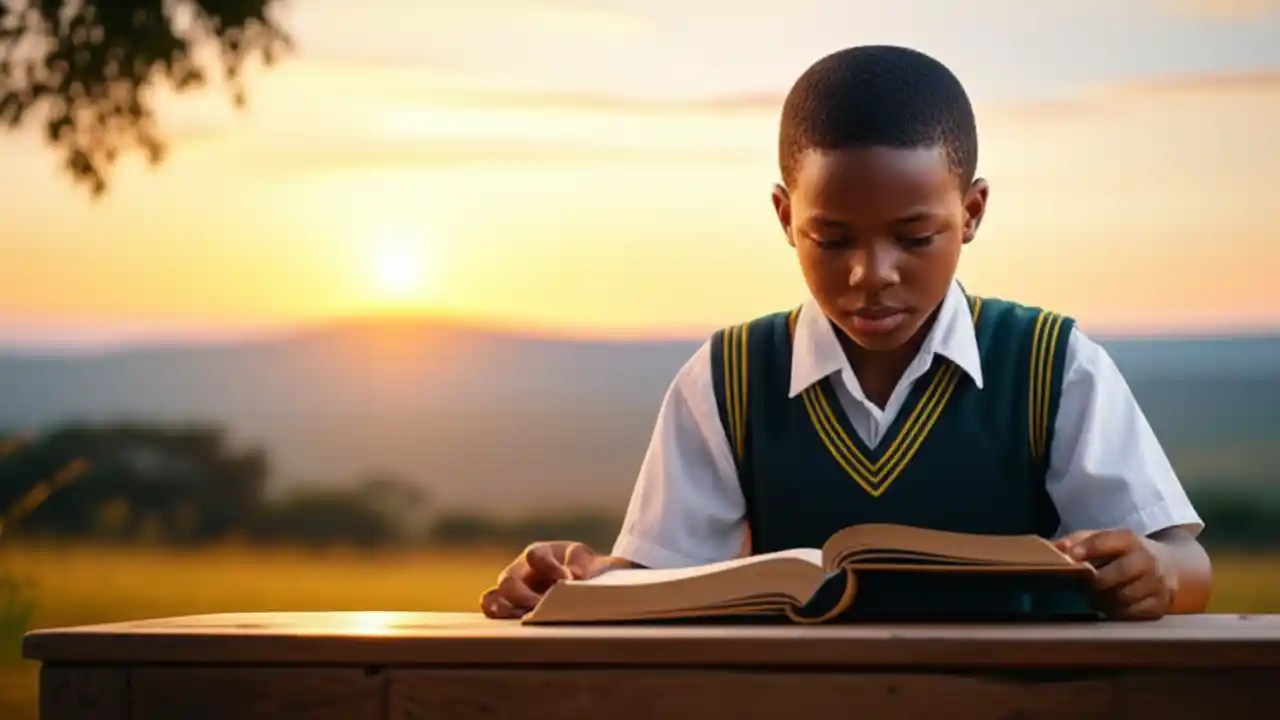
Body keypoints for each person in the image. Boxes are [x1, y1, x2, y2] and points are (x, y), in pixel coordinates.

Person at [480, 45, 1211, 621]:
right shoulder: (730, 376)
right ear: (783, 217)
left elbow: (1187, 563)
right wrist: (583, 580)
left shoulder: (1052, 364)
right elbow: (661, 579)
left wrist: (1156, 574)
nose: (871, 275)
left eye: (916, 238)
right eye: (831, 240)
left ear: (974, 213)